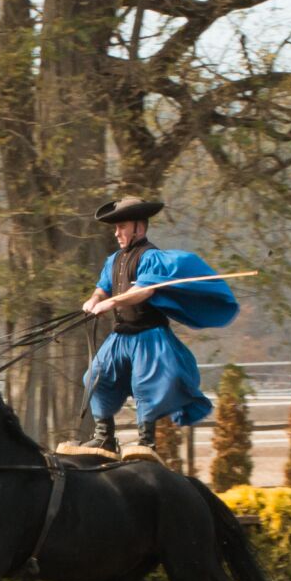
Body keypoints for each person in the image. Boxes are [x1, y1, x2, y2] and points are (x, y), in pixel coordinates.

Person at [54, 197, 239, 462]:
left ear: (139, 228)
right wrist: (94, 299)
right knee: (94, 377)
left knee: (146, 385)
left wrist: (111, 302)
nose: (117, 233)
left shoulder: (152, 257)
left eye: (122, 227)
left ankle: (146, 441)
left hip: (148, 336)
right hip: (121, 336)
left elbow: (144, 290)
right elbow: (102, 286)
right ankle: (104, 437)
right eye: (115, 228)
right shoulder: (114, 259)